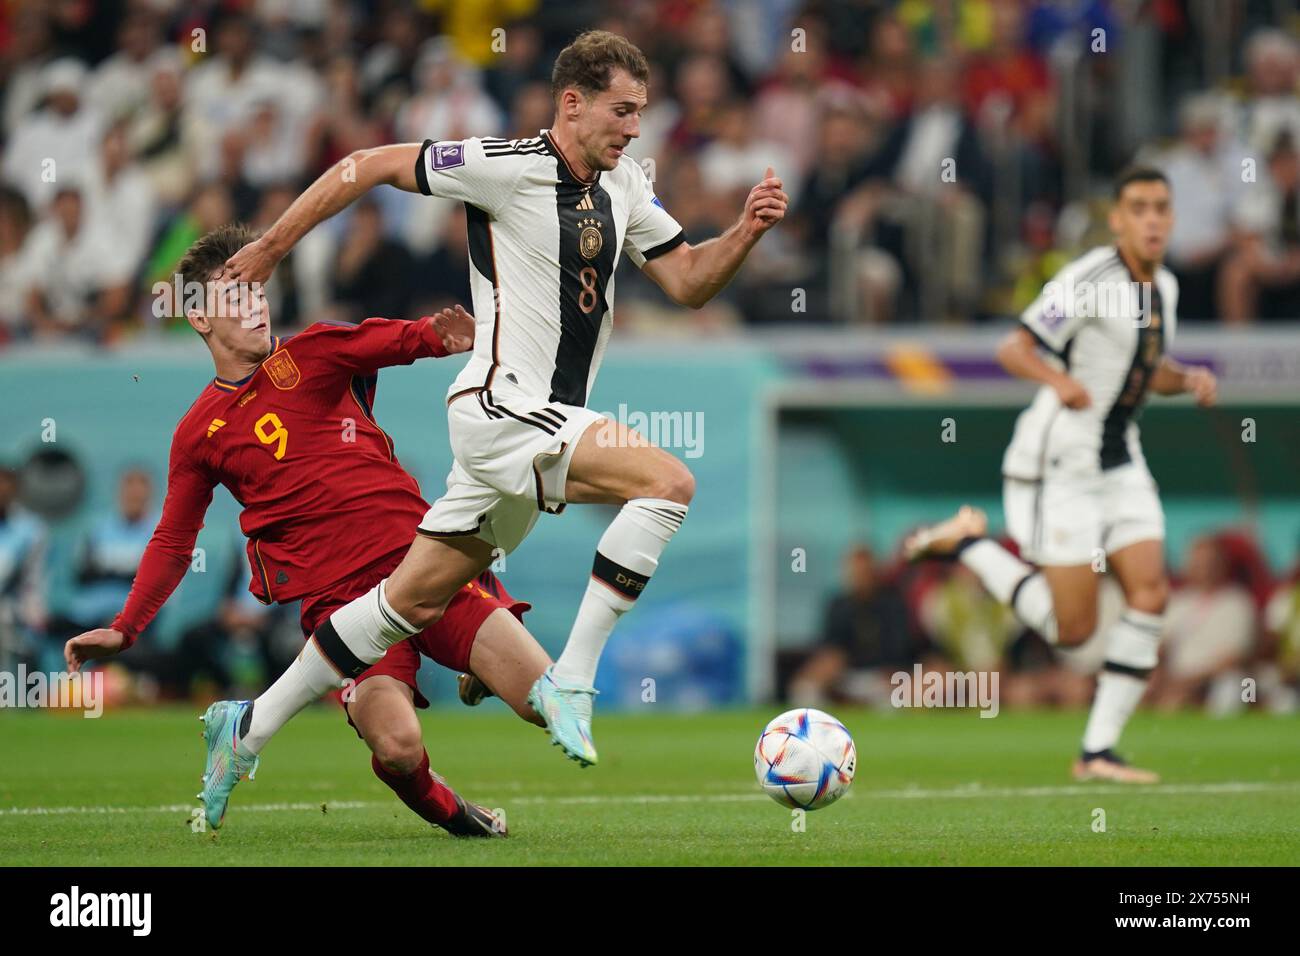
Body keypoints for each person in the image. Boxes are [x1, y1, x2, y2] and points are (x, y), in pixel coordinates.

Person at [214, 29, 787, 793]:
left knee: (402, 605)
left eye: (641, 111)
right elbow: (370, 164)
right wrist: (275, 245)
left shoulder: (624, 184)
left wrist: (744, 233)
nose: (635, 127)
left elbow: (685, 280)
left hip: (539, 422)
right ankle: (574, 679)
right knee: (667, 483)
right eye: (622, 110)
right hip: (501, 407)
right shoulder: (502, 167)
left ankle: (247, 728)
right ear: (572, 103)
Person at [64, 223, 551, 835]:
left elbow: (397, 339)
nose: (257, 303)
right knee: (397, 747)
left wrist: (448, 334)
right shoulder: (198, 433)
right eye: (234, 296)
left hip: (420, 567)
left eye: (258, 288)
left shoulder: (311, 354)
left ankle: (478, 649)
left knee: (542, 706)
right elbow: (172, 540)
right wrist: (125, 628)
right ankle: (460, 818)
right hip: (340, 607)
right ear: (199, 320)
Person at [905, 167, 1218, 784]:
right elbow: (1013, 348)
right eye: (1140, 208)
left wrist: (1189, 380)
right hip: (1059, 462)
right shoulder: (1089, 278)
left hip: (1120, 455)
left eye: (1162, 207)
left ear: (1172, 217)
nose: (1153, 218)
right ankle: (969, 543)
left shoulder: (1167, 290)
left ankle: (1098, 751)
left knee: (1150, 594)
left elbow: (1145, 369)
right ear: (1119, 219)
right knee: (1072, 631)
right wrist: (1059, 380)